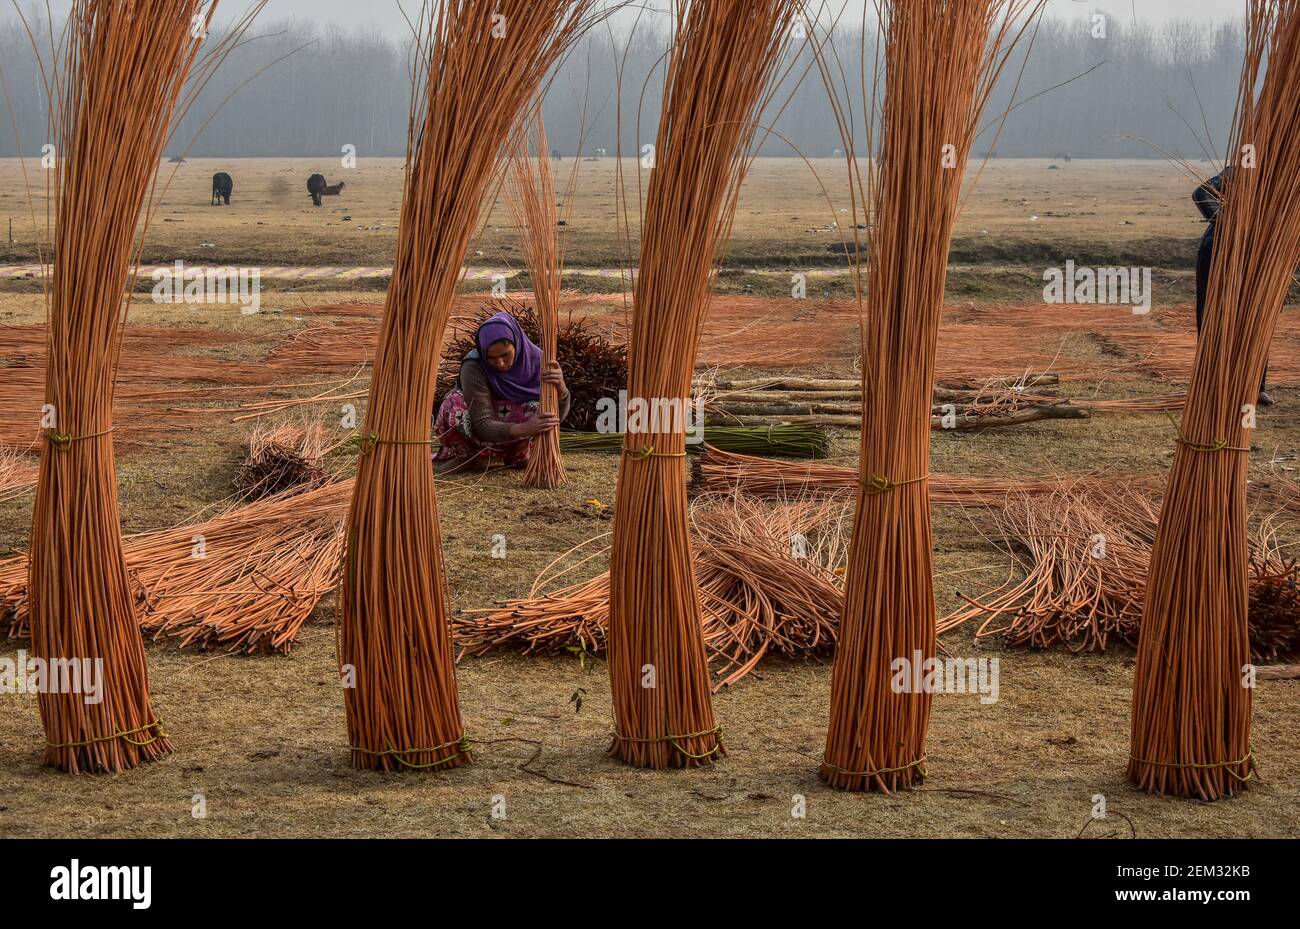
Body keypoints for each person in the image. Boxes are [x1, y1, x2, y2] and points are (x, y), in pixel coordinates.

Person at [433, 311, 570, 472]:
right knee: (454, 404)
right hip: (483, 429)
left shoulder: (538, 360)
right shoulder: (474, 365)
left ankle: (519, 456)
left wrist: (561, 389)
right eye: (492, 358)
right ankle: (469, 457)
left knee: (538, 408)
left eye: (505, 355)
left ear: (517, 344)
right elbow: (482, 423)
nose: (500, 363)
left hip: (518, 432)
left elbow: (556, 416)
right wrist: (524, 428)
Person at [1194, 168, 1273, 406]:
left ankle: (1255, 386)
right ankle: (1210, 384)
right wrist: (1229, 226)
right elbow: (1202, 193)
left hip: (1261, 256)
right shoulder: (1243, 170)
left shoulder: (1289, 177)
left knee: (1257, 317)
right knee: (1213, 316)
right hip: (1218, 252)